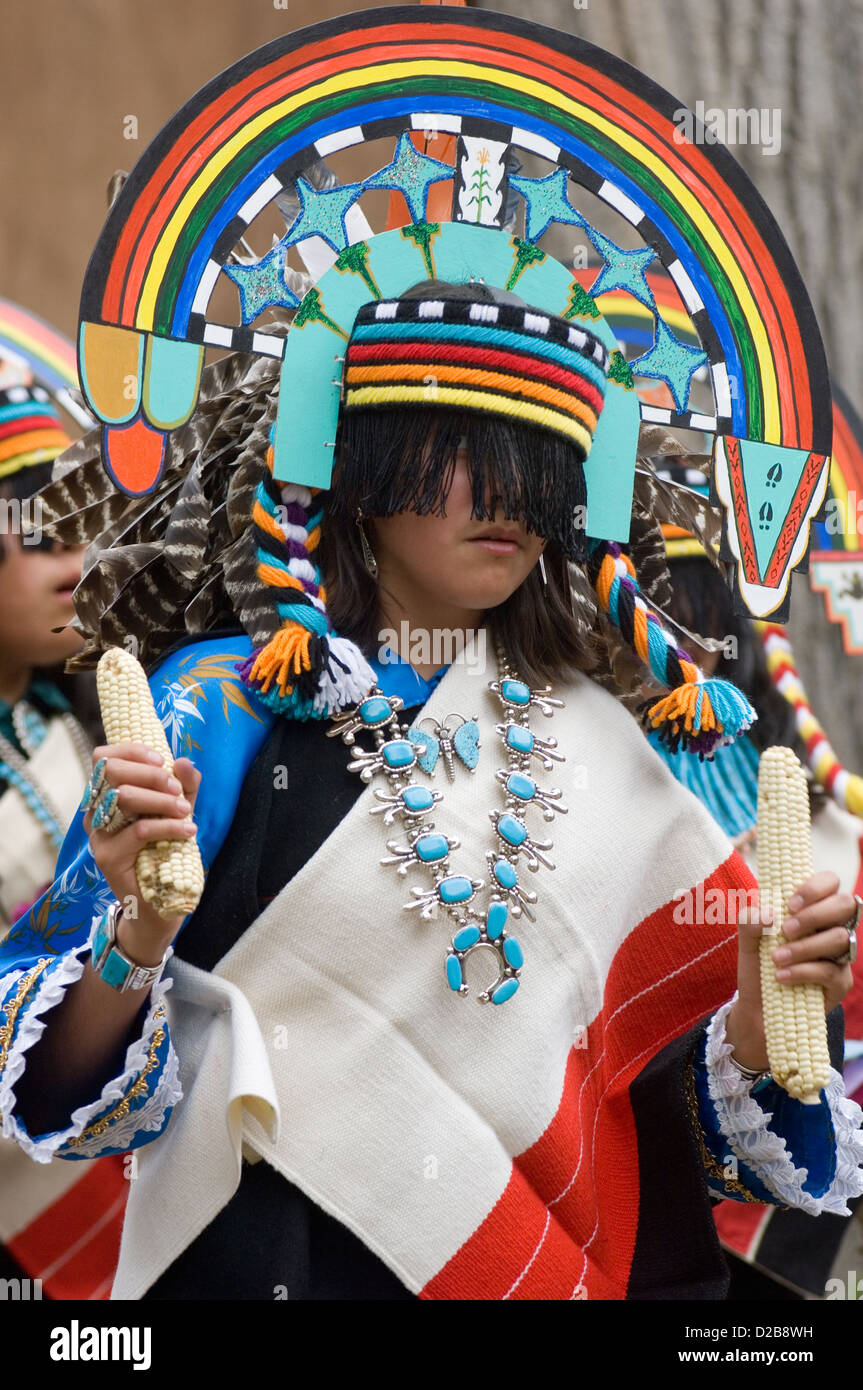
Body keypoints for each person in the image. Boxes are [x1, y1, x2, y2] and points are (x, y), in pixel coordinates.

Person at [1, 278, 861, 1302]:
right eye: (464, 455)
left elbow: (667, 1143)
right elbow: (61, 1096)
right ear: (361, 465)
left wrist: (761, 1033)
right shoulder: (217, 708)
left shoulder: (608, 741)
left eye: (537, 468)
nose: (505, 502)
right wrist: (135, 935)